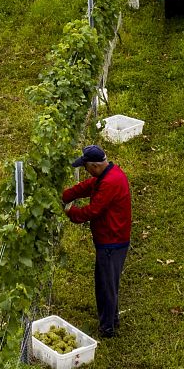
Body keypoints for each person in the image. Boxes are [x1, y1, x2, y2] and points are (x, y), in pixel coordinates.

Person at [63, 145, 132, 338]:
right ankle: (112, 319)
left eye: (86, 167)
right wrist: (65, 195)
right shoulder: (110, 173)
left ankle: (107, 328)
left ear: (94, 166)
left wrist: (70, 212)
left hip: (112, 242)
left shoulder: (110, 183)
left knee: (105, 286)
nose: (86, 171)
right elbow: (88, 186)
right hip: (112, 239)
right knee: (107, 283)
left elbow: (93, 210)